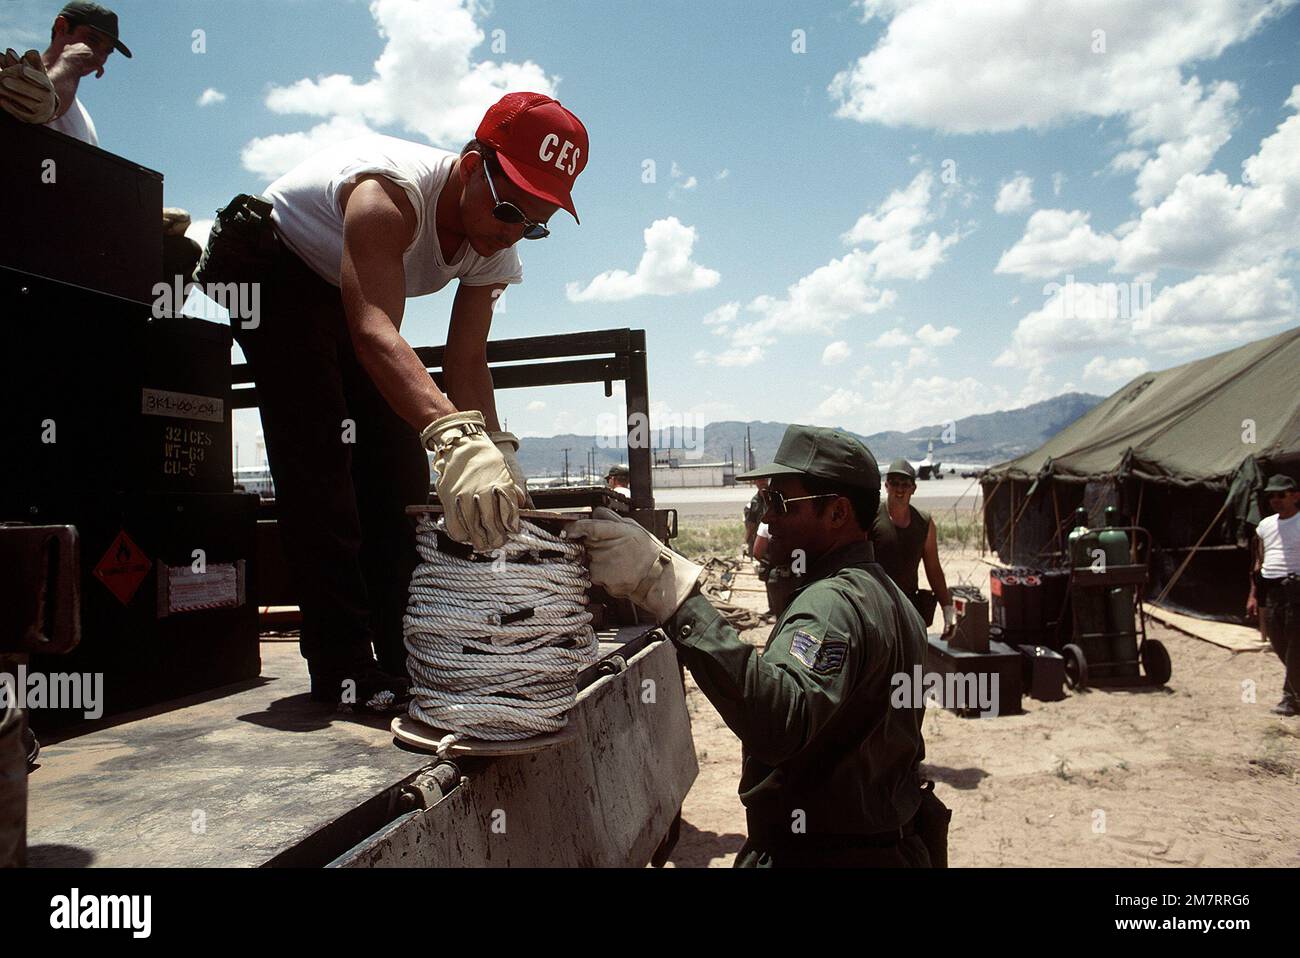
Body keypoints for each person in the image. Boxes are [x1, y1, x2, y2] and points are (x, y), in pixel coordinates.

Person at [195, 92, 588, 710]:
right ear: (469, 162)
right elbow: (375, 330)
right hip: (278, 272)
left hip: (354, 293)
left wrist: (496, 448)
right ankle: (342, 666)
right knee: (322, 463)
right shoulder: (387, 196)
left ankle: (404, 653)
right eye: (508, 207)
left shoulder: (498, 246)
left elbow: (465, 361)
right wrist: (452, 434)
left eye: (533, 223)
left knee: (397, 473)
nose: (511, 231)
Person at [568, 425, 948, 868]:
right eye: (767, 501)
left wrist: (667, 591)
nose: (768, 517)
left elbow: (780, 720)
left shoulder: (832, 606)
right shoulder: (893, 600)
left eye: (781, 501)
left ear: (838, 512)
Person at [0, 3, 131, 146]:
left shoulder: (86, 123)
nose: (99, 57)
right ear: (61, 27)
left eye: (107, 51)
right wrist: (71, 61)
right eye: (92, 40)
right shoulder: (7, 75)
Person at [872, 458, 954, 637]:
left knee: (915, 664)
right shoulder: (872, 518)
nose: (899, 489)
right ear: (886, 486)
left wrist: (947, 610)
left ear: (913, 488)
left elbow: (933, 569)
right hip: (876, 608)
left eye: (905, 484)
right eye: (894, 483)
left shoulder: (924, 523)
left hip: (909, 608)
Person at [1247, 474, 1300, 717]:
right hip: (1272, 590)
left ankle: (1290, 698)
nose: (1275, 500)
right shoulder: (1266, 525)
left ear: (1295, 496)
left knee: (1295, 645)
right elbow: (1259, 560)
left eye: (1281, 495)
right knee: (1278, 642)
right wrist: (1254, 595)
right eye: (1271, 496)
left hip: (1296, 589)